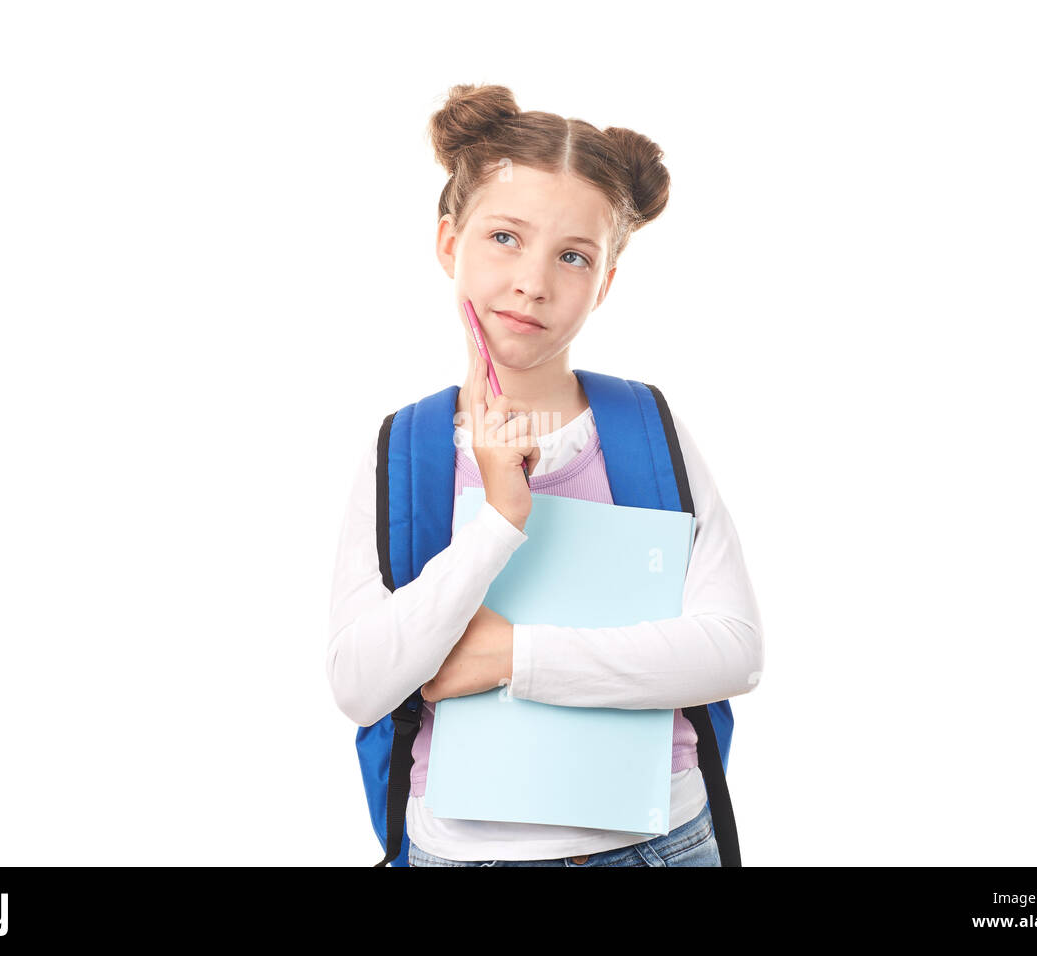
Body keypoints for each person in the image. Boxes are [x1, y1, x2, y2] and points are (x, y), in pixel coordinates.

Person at [326, 83, 764, 867]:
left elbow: (732, 651)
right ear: (446, 240)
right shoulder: (405, 449)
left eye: (573, 256)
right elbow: (361, 685)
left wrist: (513, 658)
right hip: (456, 852)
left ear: (605, 283)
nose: (533, 281)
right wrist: (496, 521)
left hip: (661, 843)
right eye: (504, 237)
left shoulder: (647, 431)